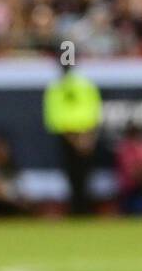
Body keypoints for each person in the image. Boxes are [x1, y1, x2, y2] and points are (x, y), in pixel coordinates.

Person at [43, 54, 103, 215]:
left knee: (85, 174)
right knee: (72, 174)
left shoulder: (83, 85)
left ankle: (85, 208)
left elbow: (94, 110)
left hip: (84, 135)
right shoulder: (56, 87)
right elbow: (54, 116)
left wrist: (87, 136)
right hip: (68, 137)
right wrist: (74, 138)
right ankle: (76, 208)